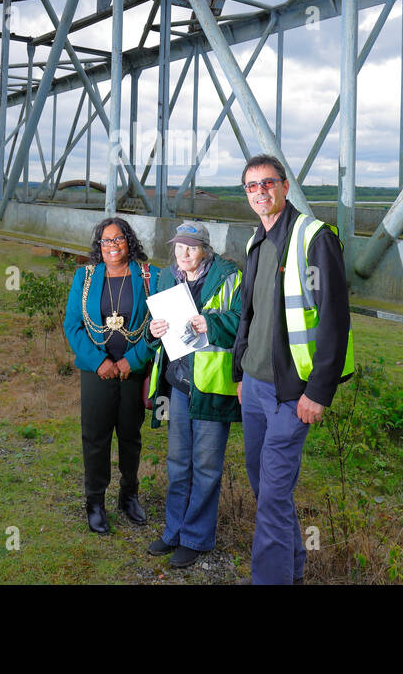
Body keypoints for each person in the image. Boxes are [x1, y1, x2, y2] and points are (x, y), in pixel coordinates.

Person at [232, 153, 354, 585]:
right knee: (266, 488)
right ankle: (294, 569)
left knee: (272, 495)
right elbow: (250, 314)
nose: (260, 191)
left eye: (268, 183)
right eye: (252, 186)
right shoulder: (256, 242)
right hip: (257, 387)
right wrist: (242, 373)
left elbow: (334, 318)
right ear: (247, 194)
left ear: (284, 186)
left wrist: (319, 391)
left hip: (292, 392)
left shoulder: (313, 238)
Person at [145, 221, 242, 568]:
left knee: (205, 465)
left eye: (192, 247)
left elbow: (244, 323)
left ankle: (196, 538)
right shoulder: (167, 277)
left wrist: (211, 324)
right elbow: (152, 328)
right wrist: (152, 331)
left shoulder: (230, 277)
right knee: (177, 462)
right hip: (178, 386)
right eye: (179, 246)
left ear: (205, 249)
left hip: (211, 387)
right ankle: (173, 532)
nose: (183, 253)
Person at [63, 217, 160, 534]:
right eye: (105, 241)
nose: (112, 246)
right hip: (98, 374)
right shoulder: (85, 277)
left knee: (131, 437)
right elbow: (73, 326)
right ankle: (95, 502)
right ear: (98, 246)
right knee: (95, 438)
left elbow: (158, 326)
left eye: (118, 239)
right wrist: (99, 361)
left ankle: (129, 496)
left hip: (133, 371)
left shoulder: (149, 277)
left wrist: (134, 359)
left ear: (128, 242)